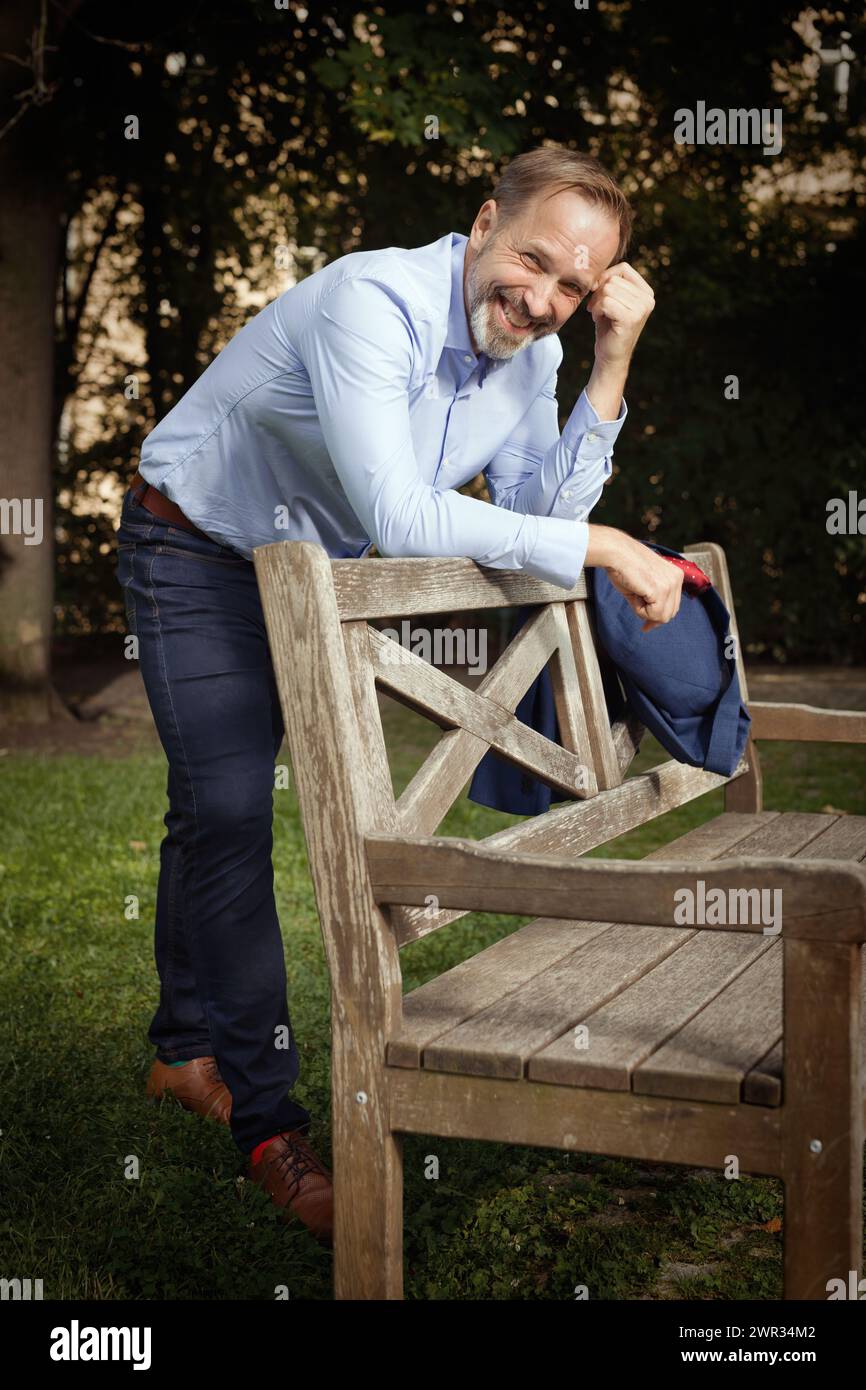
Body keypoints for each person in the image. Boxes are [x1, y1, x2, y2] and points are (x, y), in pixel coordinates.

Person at [115, 145, 683, 1246]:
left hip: (304, 571)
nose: (540, 300)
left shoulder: (535, 354)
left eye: (573, 287)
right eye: (529, 261)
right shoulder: (369, 299)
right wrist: (606, 541)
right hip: (193, 549)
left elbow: (537, 514)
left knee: (215, 804)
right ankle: (265, 1122)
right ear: (482, 222)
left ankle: (184, 1046)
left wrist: (608, 366)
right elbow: (410, 513)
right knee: (232, 809)